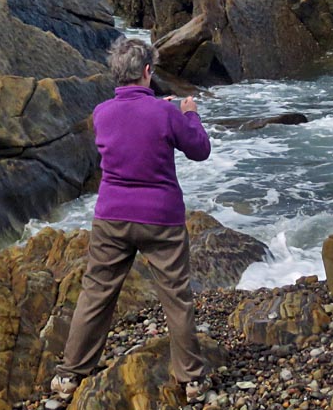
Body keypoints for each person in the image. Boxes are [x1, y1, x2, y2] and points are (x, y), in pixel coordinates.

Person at [49, 37, 212, 406]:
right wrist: (188, 113)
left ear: (117, 74)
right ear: (147, 72)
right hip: (161, 218)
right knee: (176, 298)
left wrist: (162, 111)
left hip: (112, 217)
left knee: (96, 293)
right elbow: (200, 150)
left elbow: (129, 130)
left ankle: (69, 375)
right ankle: (191, 381)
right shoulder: (166, 112)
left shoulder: (101, 113)